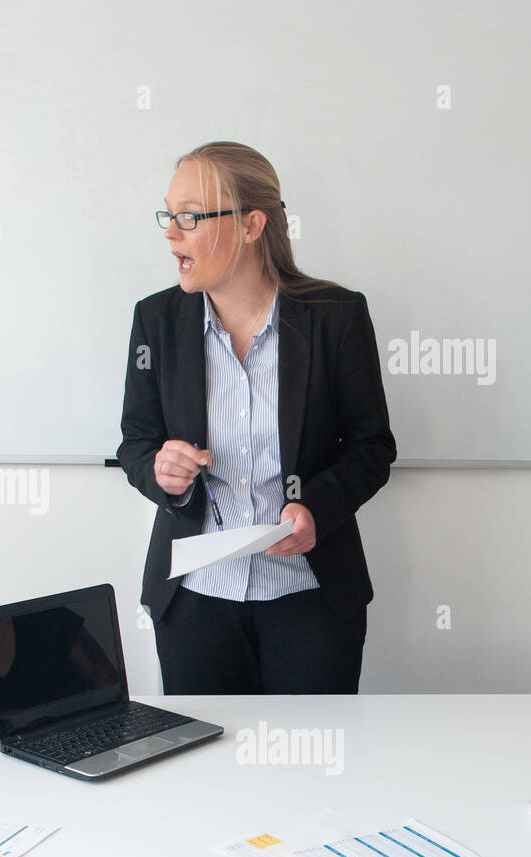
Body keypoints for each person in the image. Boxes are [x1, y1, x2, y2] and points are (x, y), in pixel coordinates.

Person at [118, 142, 395, 695]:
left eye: (190, 216)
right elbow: (136, 444)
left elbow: (371, 446)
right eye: (168, 215)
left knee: (312, 772)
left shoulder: (334, 317)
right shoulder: (157, 321)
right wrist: (161, 472)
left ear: (251, 225)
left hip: (310, 598)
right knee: (206, 773)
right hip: (195, 601)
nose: (171, 233)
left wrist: (316, 506)